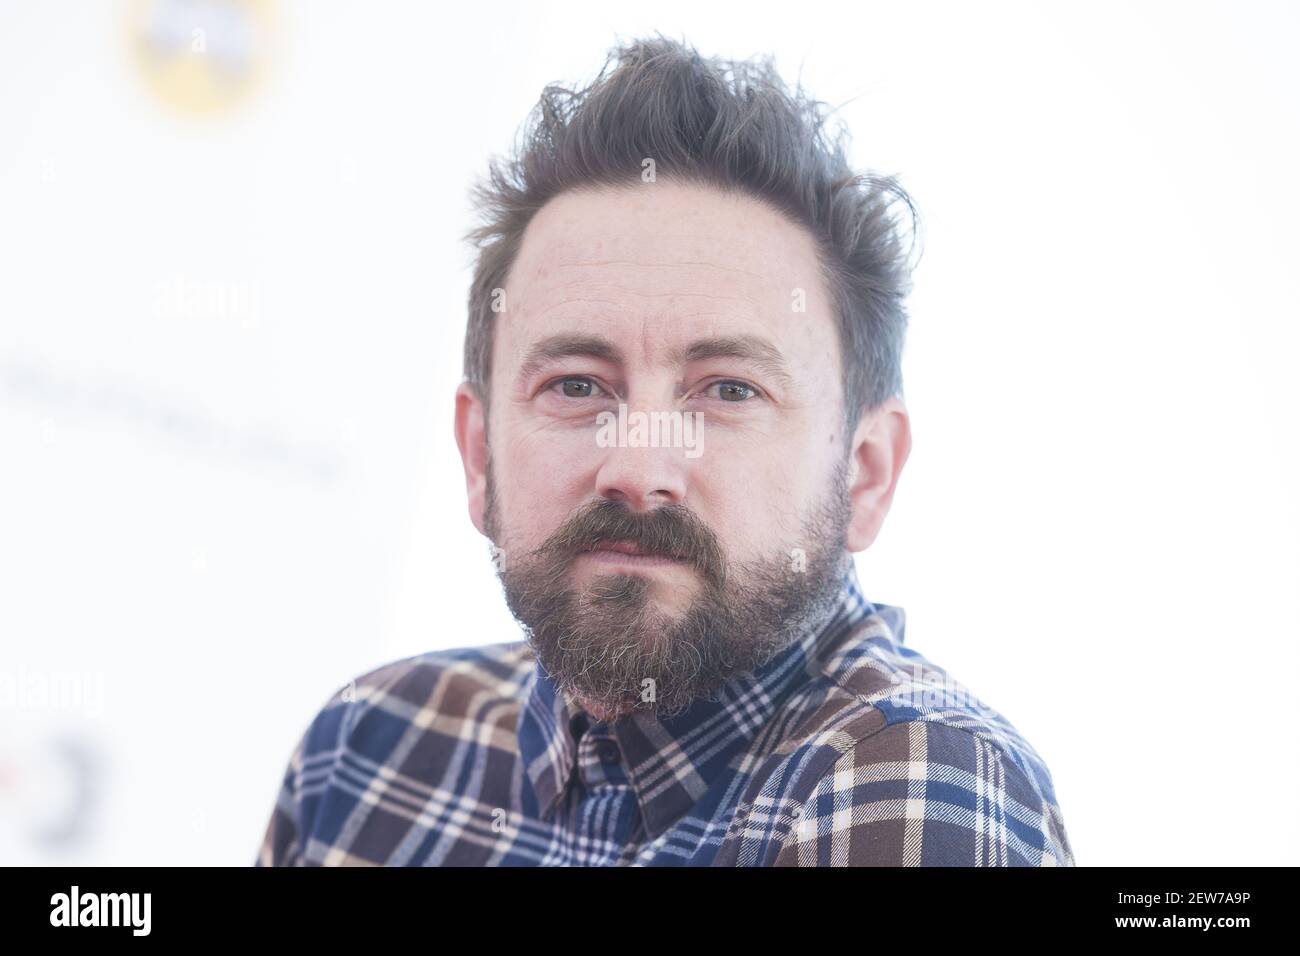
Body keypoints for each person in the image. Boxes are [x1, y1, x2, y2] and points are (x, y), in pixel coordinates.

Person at [256, 34, 1074, 866]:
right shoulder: (366, 747)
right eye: (577, 386)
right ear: (478, 453)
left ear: (865, 474)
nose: (638, 469)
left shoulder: (920, 783)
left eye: (727, 392)